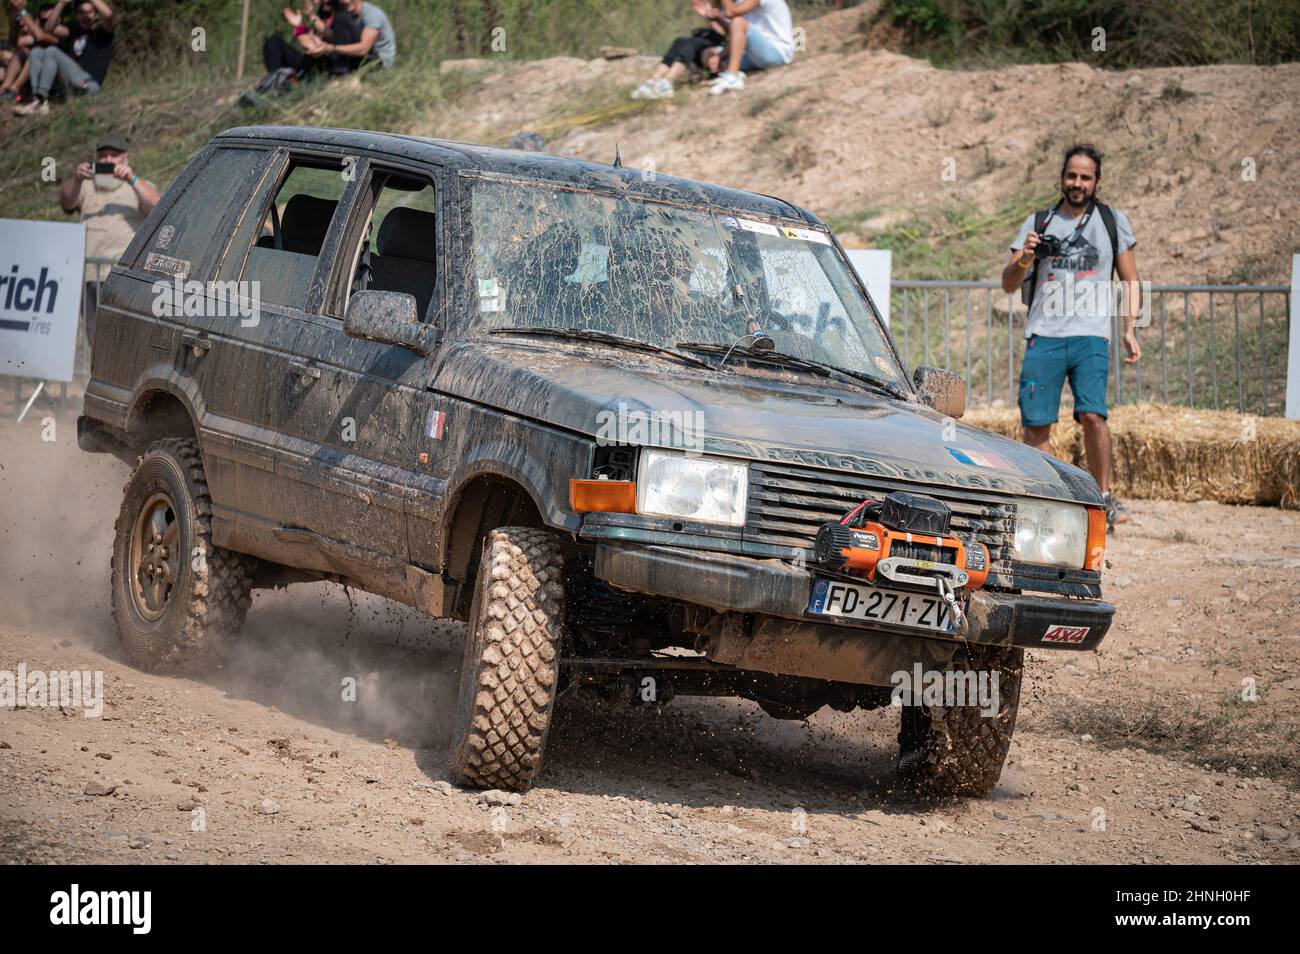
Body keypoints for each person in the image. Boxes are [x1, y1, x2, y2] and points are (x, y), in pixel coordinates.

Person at [1001, 144, 1142, 529]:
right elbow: (1008, 283)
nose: (1077, 183)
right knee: (1035, 426)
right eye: (1071, 176)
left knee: (1094, 416)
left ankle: (1102, 499)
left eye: (1085, 177)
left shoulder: (1112, 221)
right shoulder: (1039, 221)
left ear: (1096, 181)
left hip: (1091, 335)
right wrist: (1027, 255)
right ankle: (1049, 500)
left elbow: (1130, 280)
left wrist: (1130, 328)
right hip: (1044, 334)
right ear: (1062, 177)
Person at [59, 133, 161, 348]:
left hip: (122, 279)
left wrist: (132, 179)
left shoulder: (139, 186)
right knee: (95, 339)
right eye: (102, 156)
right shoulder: (85, 185)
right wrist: (76, 178)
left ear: (125, 158)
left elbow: (158, 206)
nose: (107, 161)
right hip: (89, 277)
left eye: (113, 156)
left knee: (125, 339)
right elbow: (66, 202)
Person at [12, 0, 112, 115]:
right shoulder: (73, 32)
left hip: (89, 85)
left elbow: (109, 15)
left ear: (96, 15)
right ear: (76, 15)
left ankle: (41, 99)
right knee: (36, 52)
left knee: (52, 51)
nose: (86, 16)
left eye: (89, 12)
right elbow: (49, 28)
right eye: (81, 12)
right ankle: (37, 99)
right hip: (70, 86)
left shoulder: (102, 33)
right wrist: (61, 3)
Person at [695, 0, 795, 95]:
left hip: (777, 52)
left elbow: (731, 13)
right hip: (755, 54)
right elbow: (737, 35)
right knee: (708, 54)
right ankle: (728, 72)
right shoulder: (740, 2)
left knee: (738, 22)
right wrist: (719, 56)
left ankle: (732, 77)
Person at [630, 25, 724, 100]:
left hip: (722, 47)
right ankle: (652, 81)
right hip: (710, 47)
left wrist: (716, 18)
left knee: (693, 42)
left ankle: (666, 83)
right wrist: (710, 16)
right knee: (680, 41)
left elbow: (724, 33)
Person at [298, 0, 395, 71]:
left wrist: (331, 49)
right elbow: (332, 36)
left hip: (379, 62)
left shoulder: (372, 14)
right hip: (362, 58)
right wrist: (311, 16)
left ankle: (339, 73)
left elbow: (363, 49)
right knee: (316, 54)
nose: (345, 1)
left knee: (340, 21)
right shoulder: (347, 14)